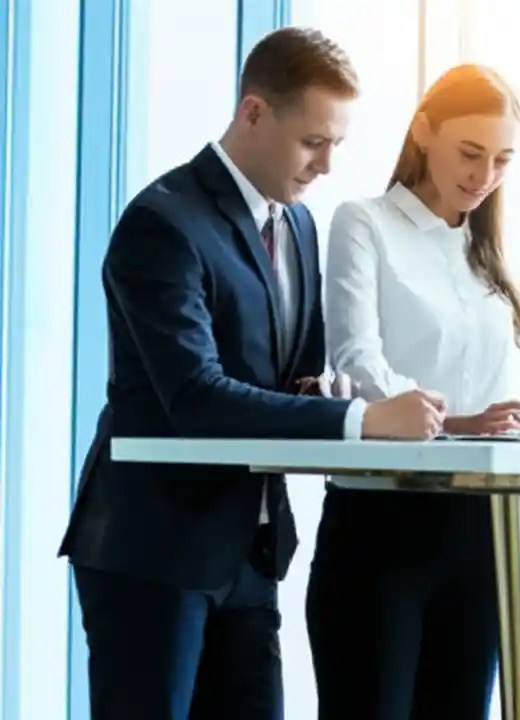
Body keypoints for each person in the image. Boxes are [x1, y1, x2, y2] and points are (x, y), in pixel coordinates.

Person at [56, 28, 447, 720]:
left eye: (337, 144)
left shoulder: (298, 226)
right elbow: (196, 397)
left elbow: (284, 377)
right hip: (154, 553)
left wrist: (319, 393)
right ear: (254, 113)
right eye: (312, 142)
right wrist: (362, 420)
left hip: (249, 552)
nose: (327, 165)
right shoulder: (162, 222)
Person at [307, 63, 520, 720]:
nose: (483, 175)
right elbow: (358, 360)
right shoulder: (364, 223)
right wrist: (457, 423)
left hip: (480, 529)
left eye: (501, 160)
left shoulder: (483, 252)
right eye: (470, 152)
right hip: (383, 523)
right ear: (423, 131)